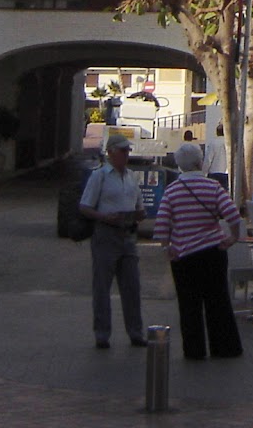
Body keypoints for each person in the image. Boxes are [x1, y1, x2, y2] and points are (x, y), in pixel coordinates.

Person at [152, 142, 244, 360]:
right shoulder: (213, 187)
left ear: (180, 165)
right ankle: (224, 348)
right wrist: (232, 238)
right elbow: (233, 215)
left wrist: (167, 247)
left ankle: (194, 350)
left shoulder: (172, 191)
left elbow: (162, 223)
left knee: (189, 305)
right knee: (218, 300)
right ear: (199, 162)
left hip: (183, 255)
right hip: (212, 251)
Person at [78, 135, 147, 348]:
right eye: (122, 151)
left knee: (132, 286)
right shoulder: (100, 176)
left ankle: (135, 331)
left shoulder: (131, 177)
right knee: (102, 286)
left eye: (128, 151)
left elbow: (139, 206)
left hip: (127, 234)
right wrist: (104, 217)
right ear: (111, 153)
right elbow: (85, 206)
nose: (126, 155)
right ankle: (102, 333)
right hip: (106, 233)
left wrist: (138, 214)